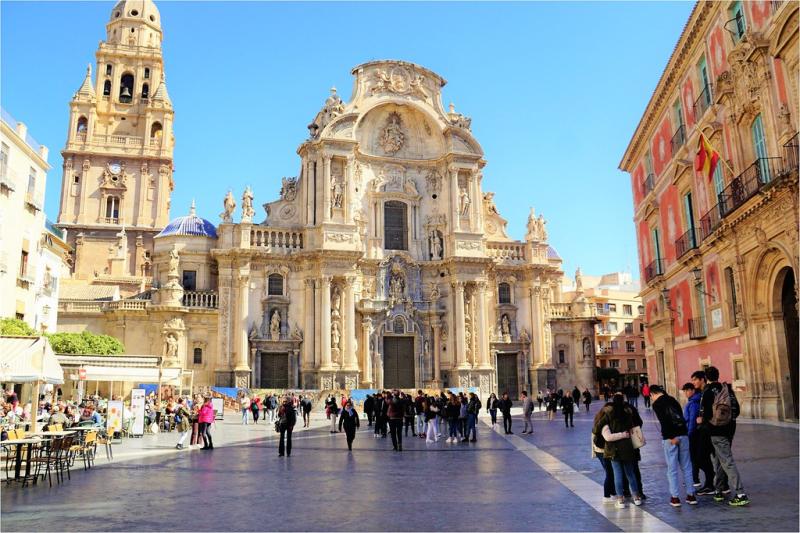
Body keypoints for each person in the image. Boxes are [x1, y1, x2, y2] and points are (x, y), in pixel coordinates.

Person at [698, 366, 748, 506]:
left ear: (706, 378)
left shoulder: (707, 392)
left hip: (716, 430)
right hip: (730, 428)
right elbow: (736, 410)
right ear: (718, 375)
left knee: (726, 461)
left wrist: (702, 421)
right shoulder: (726, 389)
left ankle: (740, 493)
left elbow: (704, 414)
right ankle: (718, 490)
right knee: (720, 460)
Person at [649, 385, 697, 507]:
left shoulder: (657, 404)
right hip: (683, 435)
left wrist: (671, 437)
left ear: (653, 394)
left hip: (671, 438)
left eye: (651, 396)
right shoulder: (672, 399)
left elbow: (664, 421)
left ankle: (675, 498)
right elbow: (680, 417)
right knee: (687, 467)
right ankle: (691, 496)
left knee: (672, 469)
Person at [592, 394, 643, 508]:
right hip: (627, 448)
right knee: (630, 473)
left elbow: (596, 429)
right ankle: (636, 497)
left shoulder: (609, 414)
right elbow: (635, 425)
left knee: (617, 475)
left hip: (613, 449)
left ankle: (620, 499)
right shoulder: (628, 414)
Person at [682, 382, 714, 494]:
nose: (685, 393)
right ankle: (696, 478)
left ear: (692, 390)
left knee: (697, 458)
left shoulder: (694, 403)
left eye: (687, 390)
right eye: (684, 391)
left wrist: (689, 434)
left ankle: (706, 477)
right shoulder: (693, 401)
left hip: (694, 434)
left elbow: (692, 420)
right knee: (695, 458)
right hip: (695, 433)